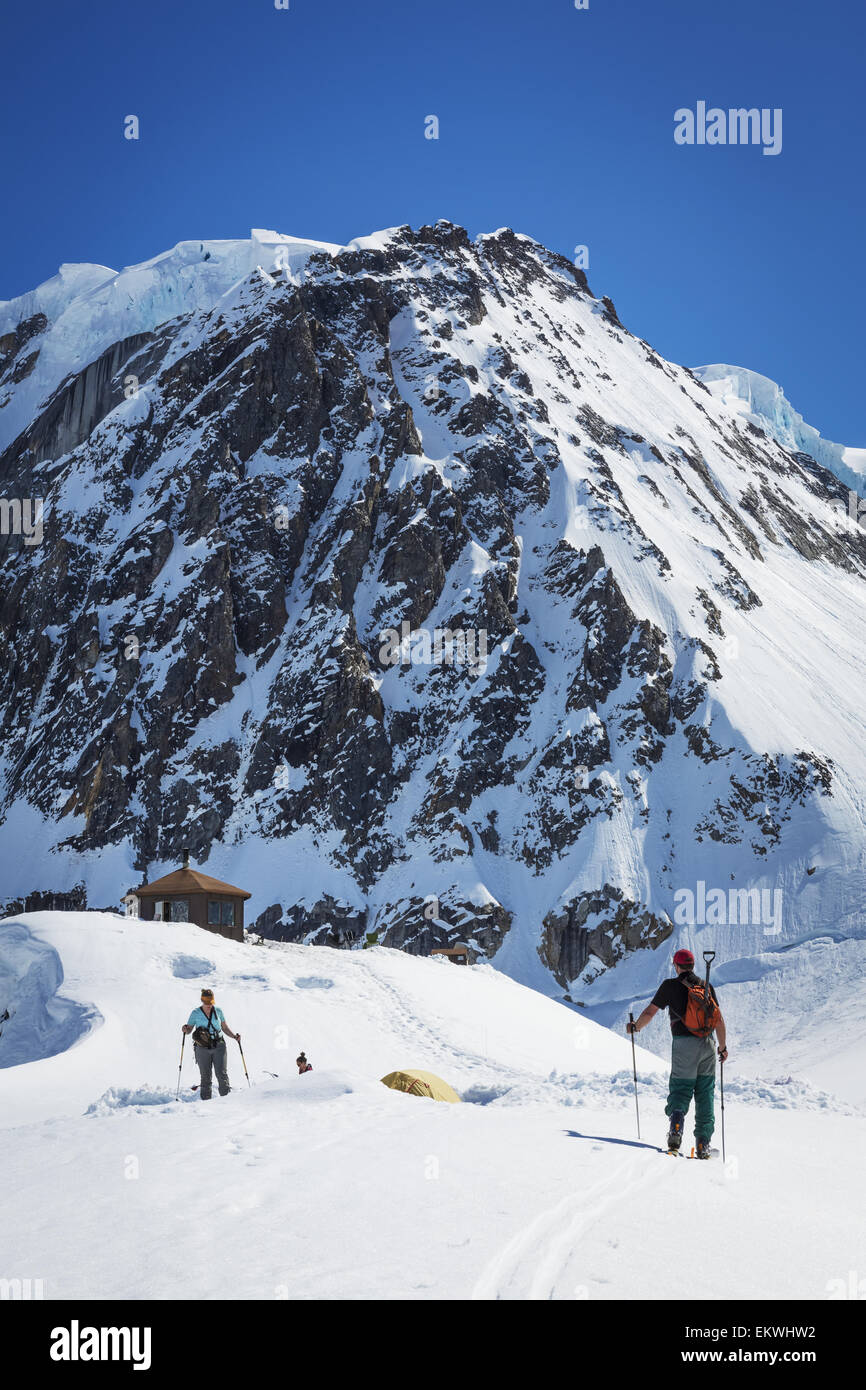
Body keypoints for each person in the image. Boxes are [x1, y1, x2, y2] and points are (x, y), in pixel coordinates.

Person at [627, 948, 728, 1157]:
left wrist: (636, 1027)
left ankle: (675, 1130)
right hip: (708, 1046)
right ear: (692, 965)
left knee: (681, 1089)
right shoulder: (705, 986)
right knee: (705, 1094)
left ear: (676, 965)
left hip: (683, 1045)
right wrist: (722, 1047)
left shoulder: (670, 986)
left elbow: (650, 1012)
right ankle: (702, 1144)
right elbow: (719, 1020)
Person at [182, 988, 241, 1100]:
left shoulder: (218, 1011)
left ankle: (227, 1101)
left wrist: (234, 1036)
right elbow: (189, 1030)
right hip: (202, 1048)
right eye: (206, 1003)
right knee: (205, 1077)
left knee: (222, 1074)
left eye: (210, 1003)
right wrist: (185, 1029)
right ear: (202, 1001)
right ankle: (206, 1105)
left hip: (219, 1045)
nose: (209, 1005)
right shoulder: (195, 1013)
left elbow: (224, 1027)